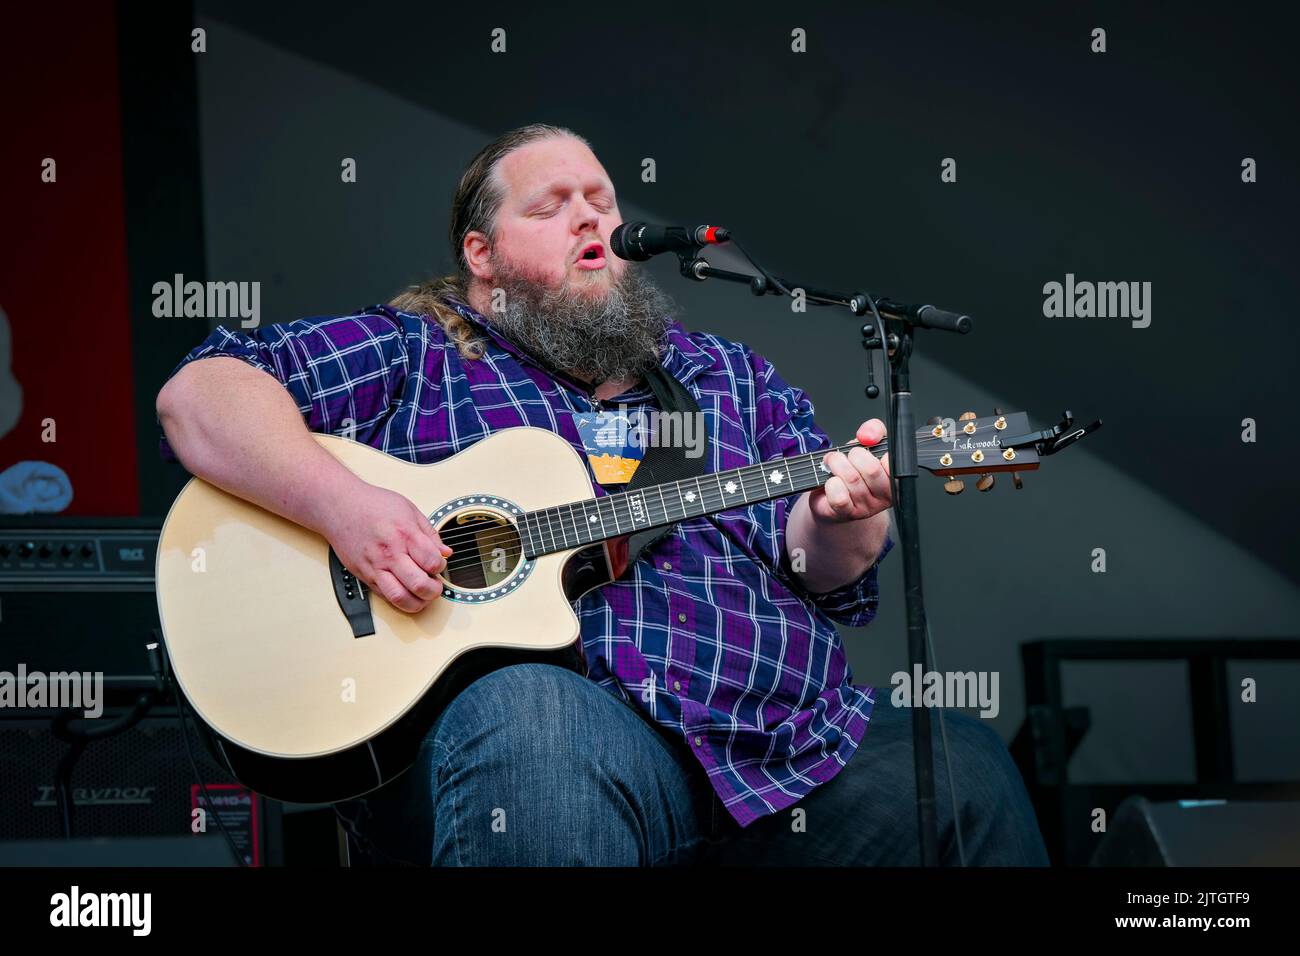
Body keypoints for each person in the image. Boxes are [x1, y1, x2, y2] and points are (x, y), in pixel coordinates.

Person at [156, 123, 1048, 866]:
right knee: (534, 716)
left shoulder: (724, 376)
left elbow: (824, 570)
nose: (590, 215)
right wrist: (344, 508)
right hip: (557, 751)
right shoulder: (416, 351)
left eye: (603, 201)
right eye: (550, 207)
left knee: (957, 765)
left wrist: (843, 512)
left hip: (786, 753)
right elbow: (200, 396)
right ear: (483, 254)